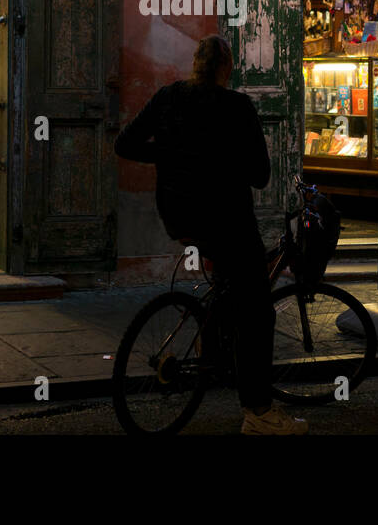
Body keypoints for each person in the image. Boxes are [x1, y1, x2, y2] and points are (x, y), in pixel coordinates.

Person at [114, 34, 307, 435]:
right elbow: (260, 176)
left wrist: (167, 152)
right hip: (227, 222)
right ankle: (259, 413)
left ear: (194, 63)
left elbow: (125, 143)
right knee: (258, 313)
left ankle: (214, 350)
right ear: (227, 67)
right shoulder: (237, 106)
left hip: (180, 218)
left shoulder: (168, 97)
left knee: (227, 288)